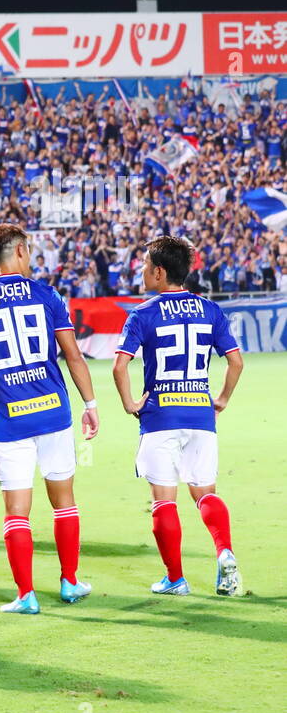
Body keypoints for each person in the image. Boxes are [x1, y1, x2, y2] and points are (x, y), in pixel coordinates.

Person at [0, 224, 99, 614]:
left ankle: (26, 595)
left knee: (16, 510)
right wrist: (90, 403)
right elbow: (74, 356)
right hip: (54, 413)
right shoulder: (47, 295)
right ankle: (69, 582)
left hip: (10, 422)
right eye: (28, 250)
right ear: (18, 251)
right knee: (63, 502)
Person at [112, 236, 244, 597]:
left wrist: (129, 403)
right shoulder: (209, 310)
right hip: (201, 414)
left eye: (143, 264)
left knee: (163, 500)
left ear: (158, 271)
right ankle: (225, 552)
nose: (140, 271)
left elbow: (120, 366)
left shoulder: (143, 313)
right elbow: (235, 362)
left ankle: (175, 579)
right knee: (204, 492)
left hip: (160, 417)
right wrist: (222, 399)